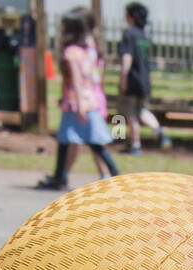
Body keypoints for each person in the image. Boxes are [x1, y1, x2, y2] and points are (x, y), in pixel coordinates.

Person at [36, 8, 119, 190]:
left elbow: (78, 81)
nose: (59, 28)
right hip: (89, 100)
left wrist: (80, 105)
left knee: (80, 141)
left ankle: (111, 175)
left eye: (63, 26)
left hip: (77, 103)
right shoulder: (87, 50)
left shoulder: (72, 52)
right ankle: (107, 175)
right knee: (84, 141)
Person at [62, 8, 112, 180]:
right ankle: (63, 174)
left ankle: (108, 175)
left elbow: (79, 78)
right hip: (93, 97)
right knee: (89, 140)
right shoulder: (93, 46)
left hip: (85, 99)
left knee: (92, 140)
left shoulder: (79, 51)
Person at [119, 3, 170, 153]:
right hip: (144, 80)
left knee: (131, 113)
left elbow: (127, 57)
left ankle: (135, 146)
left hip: (132, 79)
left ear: (131, 17)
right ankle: (160, 132)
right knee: (141, 110)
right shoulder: (143, 36)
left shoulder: (129, 34)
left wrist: (123, 77)